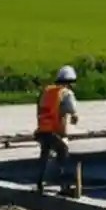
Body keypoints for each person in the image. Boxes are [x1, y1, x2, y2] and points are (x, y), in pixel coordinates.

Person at [34, 65, 80, 194]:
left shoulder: (46, 91)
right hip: (54, 131)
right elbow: (73, 113)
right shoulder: (66, 93)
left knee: (45, 155)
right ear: (70, 82)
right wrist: (74, 119)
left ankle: (40, 183)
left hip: (42, 131)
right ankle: (64, 185)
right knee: (63, 152)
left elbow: (40, 109)